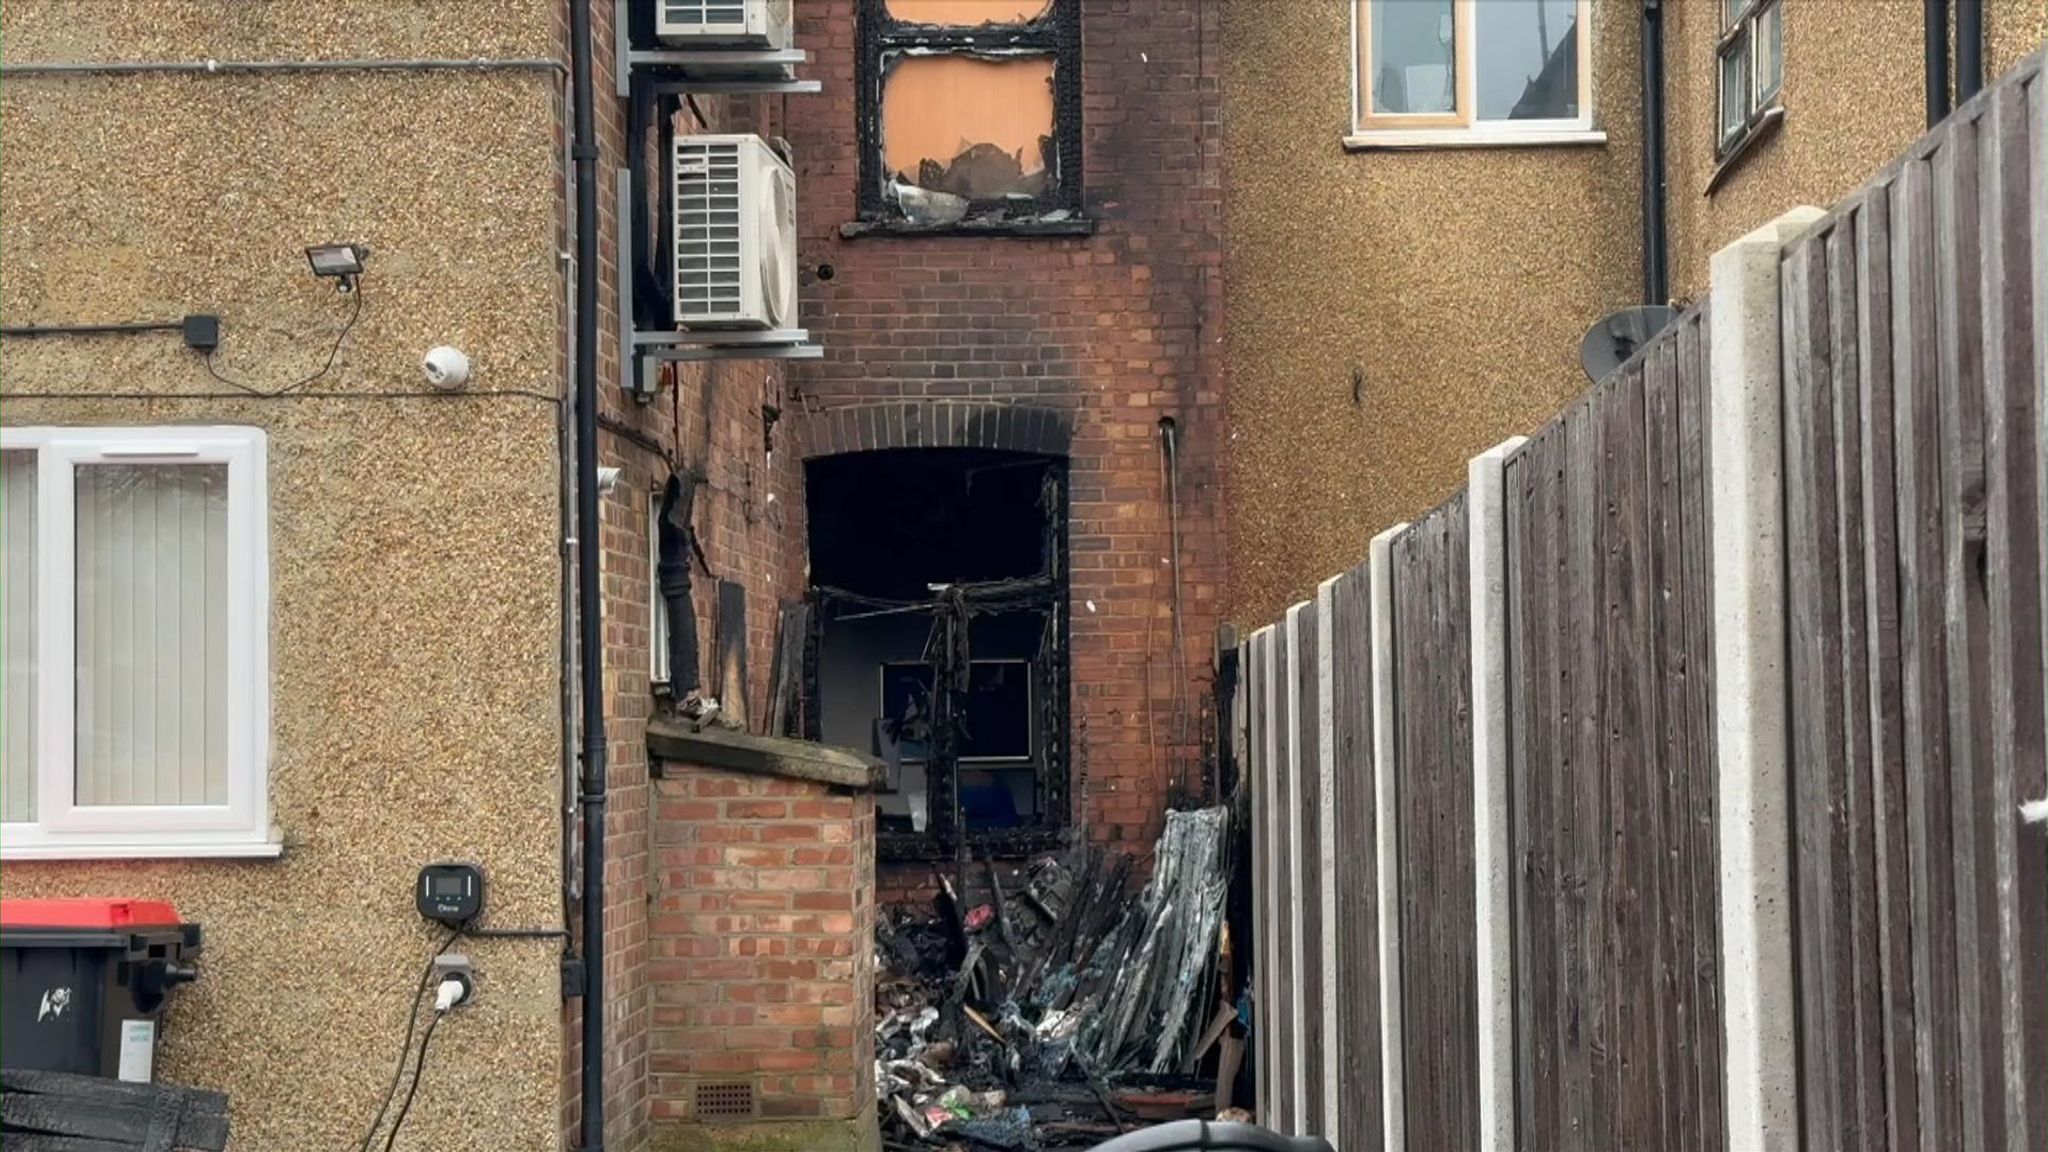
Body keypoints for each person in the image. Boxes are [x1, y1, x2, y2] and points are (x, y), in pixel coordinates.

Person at [657, 468, 718, 725]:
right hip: (675, 583)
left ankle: (689, 693)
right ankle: (686, 694)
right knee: (685, 629)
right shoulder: (670, 527)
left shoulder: (675, 528)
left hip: (677, 582)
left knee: (689, 630)